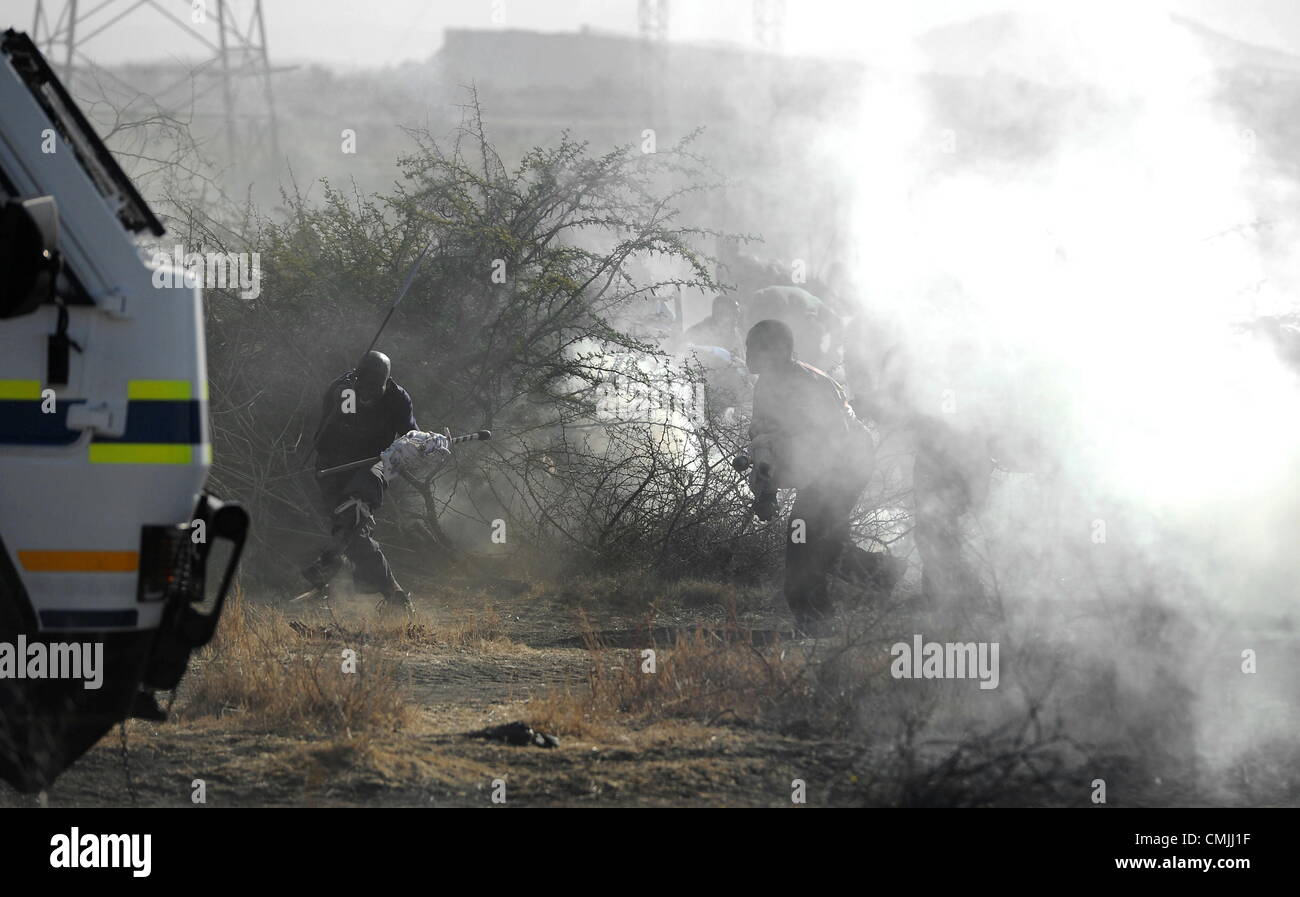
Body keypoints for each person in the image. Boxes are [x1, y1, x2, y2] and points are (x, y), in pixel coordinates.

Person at [743, 320, 897, 635]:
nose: (753, 355)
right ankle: (881, 574)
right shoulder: (767, 385)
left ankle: (814, 618)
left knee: (802, 534)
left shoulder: (808, 384)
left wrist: (816, 485)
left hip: (844, 465)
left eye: (760, 347)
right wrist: (766, 492)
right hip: (824, 469)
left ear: (781, 350)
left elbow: (836, 439)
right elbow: (764, 443)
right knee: (825, 543)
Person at [302, 350, 424, 612]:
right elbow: (321, 442)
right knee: (353, 533)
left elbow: (410, 435)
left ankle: (329, 561)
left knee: (354, 509)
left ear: (387, 382)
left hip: (374, 464)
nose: (368, 393)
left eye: (376, 387)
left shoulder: (397, 398)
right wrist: (341, 406)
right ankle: (392, 594)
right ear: (357, 377)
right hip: (333, 467)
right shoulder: (341, 391)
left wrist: (421, 442)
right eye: (364, 385)